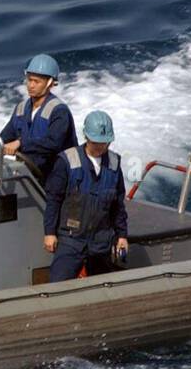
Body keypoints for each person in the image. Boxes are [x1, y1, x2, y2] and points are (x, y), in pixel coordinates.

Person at [43, 110, 129, 283]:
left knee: (103, 288)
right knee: (58, 285)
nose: (101, 147)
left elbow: (118, 205)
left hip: (101, 241)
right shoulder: (67, 160)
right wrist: (49, 232)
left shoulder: (114, 164)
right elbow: (54, 200)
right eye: (96, 142)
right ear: (86, 137)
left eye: (105, 143)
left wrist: (122, 235)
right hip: (71, 239)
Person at [0, 53, 77, 179]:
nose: (31, 85)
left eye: (37, 81)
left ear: (50, 83)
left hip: (58, 176)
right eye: (29, 80)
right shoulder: (21, 109)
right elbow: (4, 138)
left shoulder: (59, 111)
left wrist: (20, 143)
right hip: (31, 172)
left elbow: (53, 143)